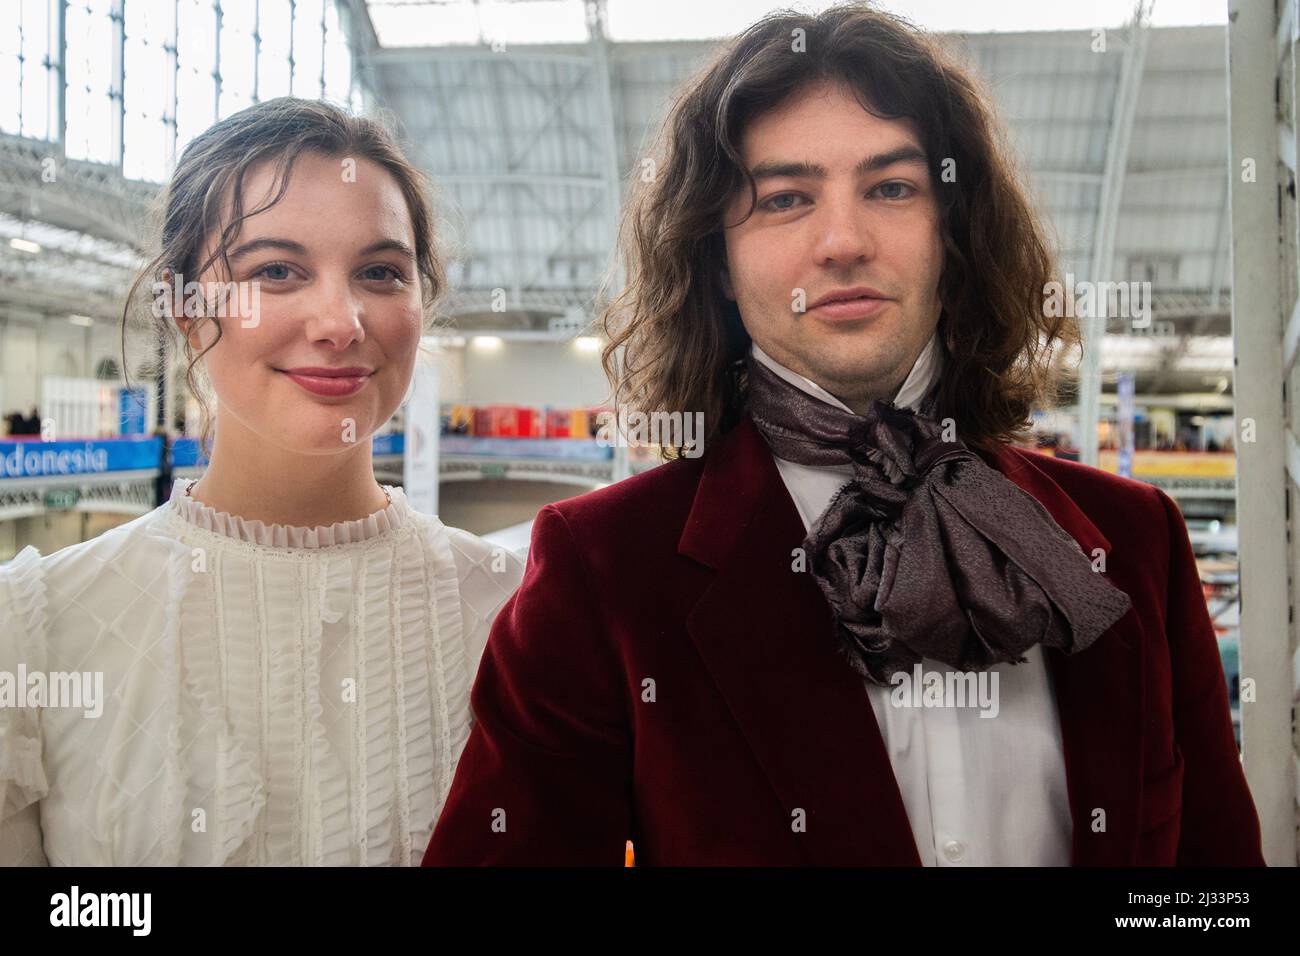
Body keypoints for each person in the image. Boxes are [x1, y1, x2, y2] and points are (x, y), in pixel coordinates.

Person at [423, 5, 1264, 866]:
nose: (844, 241)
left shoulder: (1131, 541)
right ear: (717, 259)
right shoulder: (605, 570)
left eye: (891, 187)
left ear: (954, 231)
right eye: (785, 199)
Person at [0, 97, 525, 866]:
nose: (339, 321)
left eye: (380, 272)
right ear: (184, 310)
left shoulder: (515, 614)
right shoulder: (38, 631)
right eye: (276, 271)